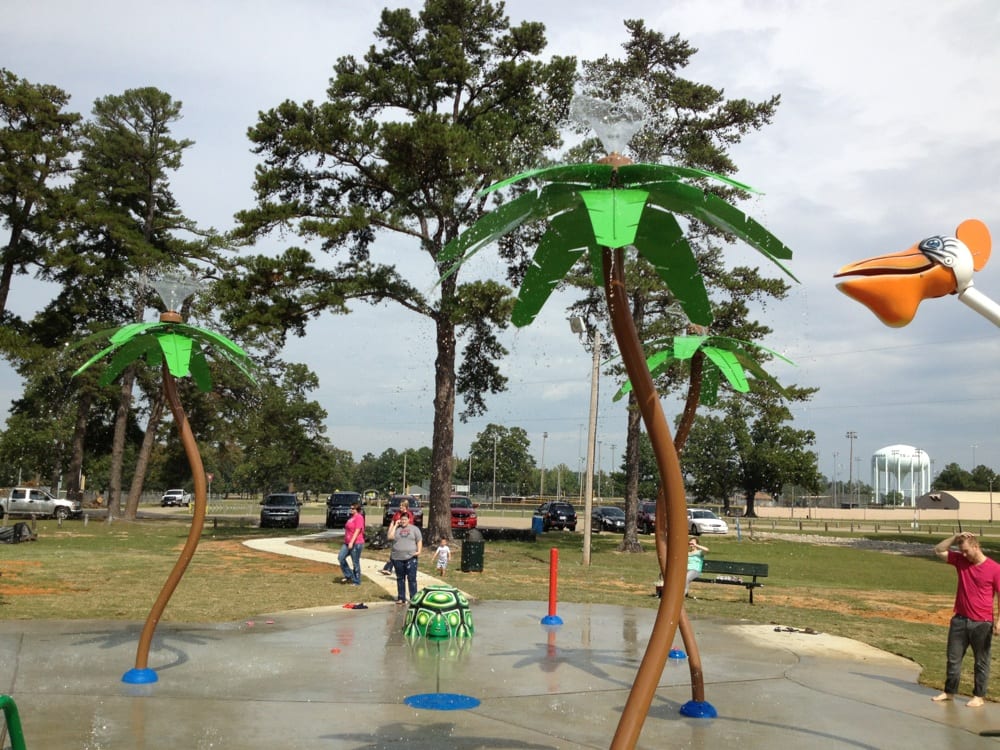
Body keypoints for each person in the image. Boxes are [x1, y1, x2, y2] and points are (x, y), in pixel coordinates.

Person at [932, 531, 1000, 707]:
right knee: (953, 659)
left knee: (981, 662)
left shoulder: (995, 569)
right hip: (960, 620)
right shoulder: (961, 561)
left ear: (976, 547)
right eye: (961, 551)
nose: (963, 554)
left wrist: (999, 621)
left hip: (982, 623)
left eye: (966, 551)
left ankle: (979, 696)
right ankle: (949, 692)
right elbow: (938, 550)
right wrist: (955, 537)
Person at [387, 512, 422, 604]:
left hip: (411, 557)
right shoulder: (397, 529)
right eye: (402, 519)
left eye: (405, 519)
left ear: (409, 520)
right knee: (400, 578)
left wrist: (419, 551)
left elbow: (419, 540)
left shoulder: (414, 529)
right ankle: (401, 598)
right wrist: (395, 525)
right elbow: (390, 537)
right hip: (397, 557)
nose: (403, 521)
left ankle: (413, 598)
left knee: (412, 578)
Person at [381, 499, 415, 576]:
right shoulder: (397, 513)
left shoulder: (409, 514)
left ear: (406, 506)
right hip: (396, 534)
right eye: (400, 505)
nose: (400, 507)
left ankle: (389, 567)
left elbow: (410, 525)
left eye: (402, 505)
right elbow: (392, 522)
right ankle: (389, 568)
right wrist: (390, 531)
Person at [337, 503, 365, 586]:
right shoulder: (351, 518)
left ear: (357, 509)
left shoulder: (359, 517)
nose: (351, 509)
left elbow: (357, 530)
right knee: (341, 557)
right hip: (347, 543)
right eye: (351, 508)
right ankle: (349, 575)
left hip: (356, 543)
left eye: (353, 508)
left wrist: (352, 542)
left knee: (355, 562)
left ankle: (357, 581)